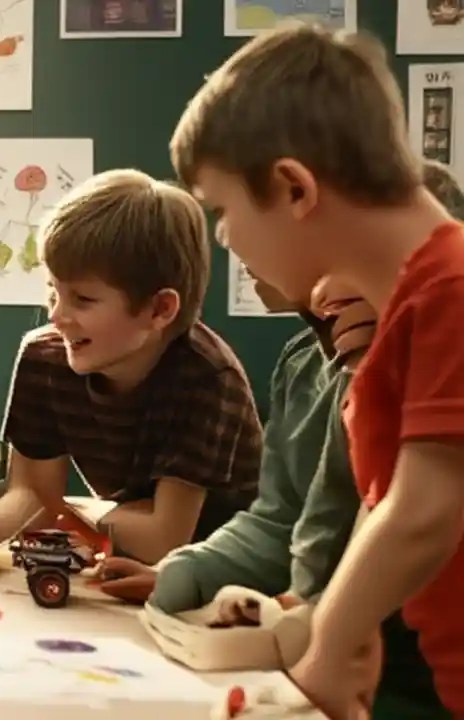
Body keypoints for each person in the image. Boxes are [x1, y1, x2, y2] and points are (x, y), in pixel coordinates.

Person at [172, 24, 464, 717]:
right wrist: (343, 613)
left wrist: (332, 642)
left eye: (222, 211)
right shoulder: (407, 314)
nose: (223, 236)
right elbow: (390, 504)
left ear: (293, 188)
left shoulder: (452, 291)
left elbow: (426, 510)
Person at [0, 169, 262, 569]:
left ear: (159, 309)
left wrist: (74, 512)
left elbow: (164, 539)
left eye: (82, 299)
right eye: (52, 290)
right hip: (124, 552)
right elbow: (31, 497)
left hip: (226, 567)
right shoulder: (46, 358)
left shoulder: (207, 378)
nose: (56, 315)